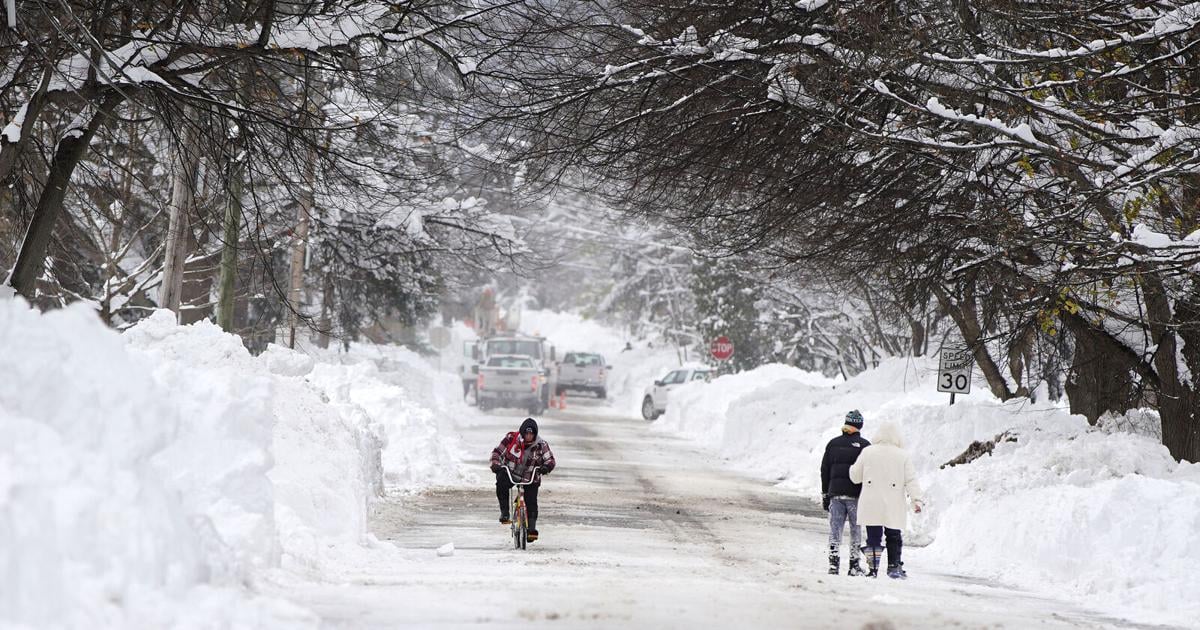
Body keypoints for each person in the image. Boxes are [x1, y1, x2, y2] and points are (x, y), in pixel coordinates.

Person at [849, 421, 924, 579]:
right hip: (893, 500)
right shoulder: (902, 455)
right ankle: (893, 567)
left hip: (871, 501)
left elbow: (855, 477)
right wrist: (916, 500)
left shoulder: (867, 452)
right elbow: (911, 480)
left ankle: (873, 569)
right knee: (893, 534)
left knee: (873, 536)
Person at [820, 410, 871, 576]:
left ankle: (833, 564)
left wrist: (825, 494)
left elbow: (824, 471)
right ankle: (854, 565)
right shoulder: (865, 446)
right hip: (856, 497)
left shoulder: (833, 444)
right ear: (860, 425)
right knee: (856, 531)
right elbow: (869, 472)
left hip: (836, 495)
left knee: (835, 530)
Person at [490, 417, 556, 542]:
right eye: (526, 433)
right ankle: (504, 512)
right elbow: (497, 452)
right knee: (501, 483)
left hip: (530, 477)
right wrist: (495, 464)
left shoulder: (541, 445)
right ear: (522, 432)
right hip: (511, 473)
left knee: (531, 501)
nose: (529, 436)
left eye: (531, 434)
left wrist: (546, 467)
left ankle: (531, 529)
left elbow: (550, 460)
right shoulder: (511, 439)